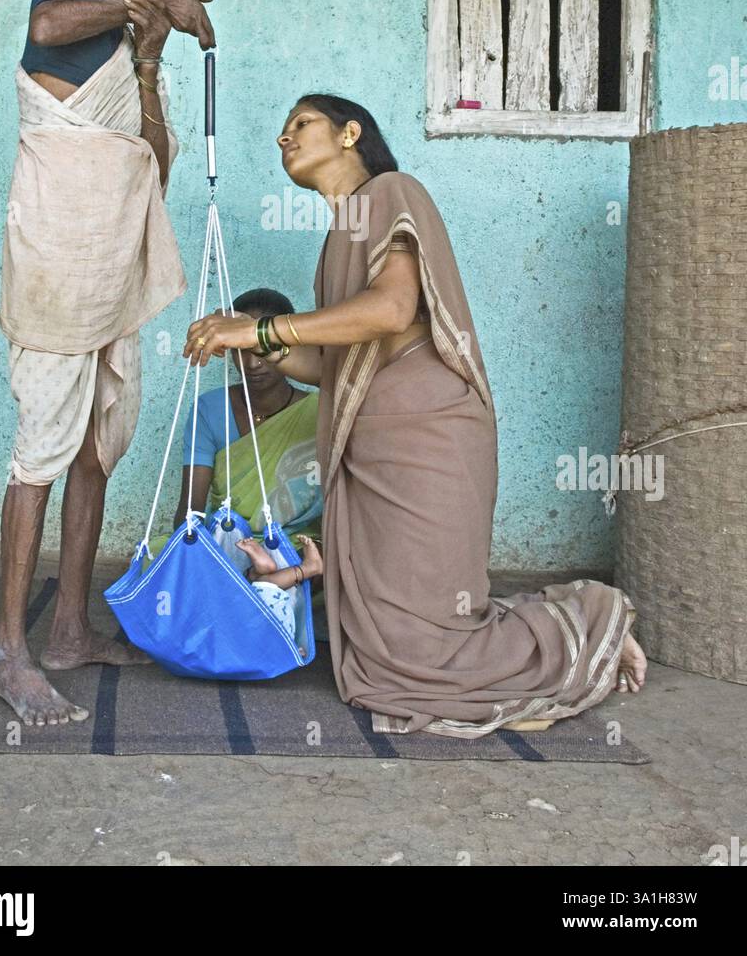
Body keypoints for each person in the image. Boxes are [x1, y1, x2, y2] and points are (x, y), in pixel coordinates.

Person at [183, 94, 647, 738]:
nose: (284, 138)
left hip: (431, 434)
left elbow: (393, 311)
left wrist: (261, 330)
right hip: (374, 446)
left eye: (301, 124)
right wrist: (250, 339)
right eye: (281, 129)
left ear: (351, 134)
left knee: (439, 634)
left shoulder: (391, 192)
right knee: (389, 653)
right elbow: (335, 364)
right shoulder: (338, 235)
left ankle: (586, 628)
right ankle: (549, 640)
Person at [0, 0, 216, 728]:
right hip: (57, 255)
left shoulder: (127, 42)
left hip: (111, 265)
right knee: (41, 452)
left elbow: (154, 164)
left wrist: (150, 61)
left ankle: (70, 631)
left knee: (95, 448)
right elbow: (46, 26)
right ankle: (8, 654)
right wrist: (138, 10)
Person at [172, 288, 322, 552]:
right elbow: (191, 510)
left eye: (263, 350)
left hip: (297, 549)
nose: (253, 364)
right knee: (155, 559)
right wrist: (189, 557)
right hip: (227, 545)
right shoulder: (210, 409)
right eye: (242, 350)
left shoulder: (317, 410)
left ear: (291, 348)